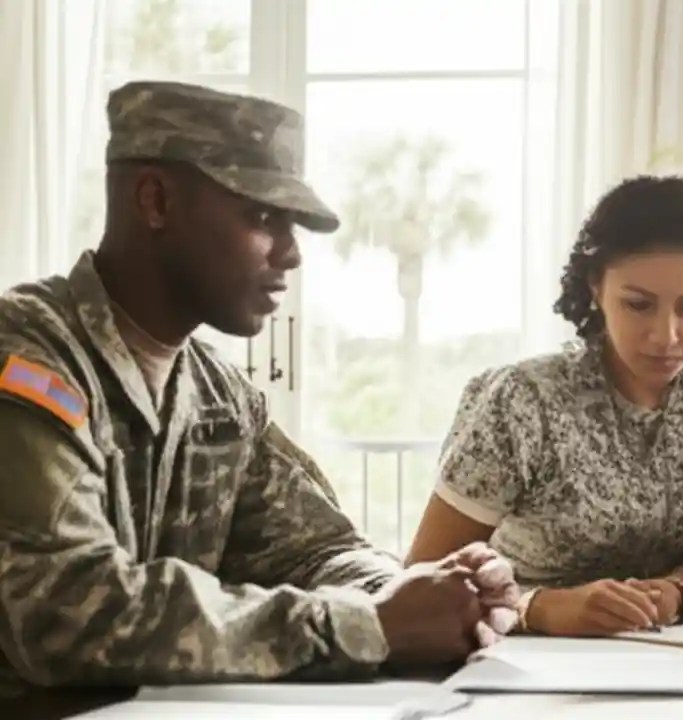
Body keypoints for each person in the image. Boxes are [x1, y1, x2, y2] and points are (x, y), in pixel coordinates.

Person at [0, 81, 517, 695]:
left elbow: (316, 549)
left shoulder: (220, 394)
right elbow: (68, 614)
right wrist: (369, 624)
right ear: (155, 200)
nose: (292, 254)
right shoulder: (27, 359)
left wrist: (417, 592)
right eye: (264, 216)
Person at [404, 176, 683, 637]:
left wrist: (679, 590)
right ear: (596, 289)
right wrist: (537, 608)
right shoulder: (523, 400)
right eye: (638, 305)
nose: (668, 335)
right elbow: (422, 580)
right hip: (520, 659)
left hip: (681, 652)